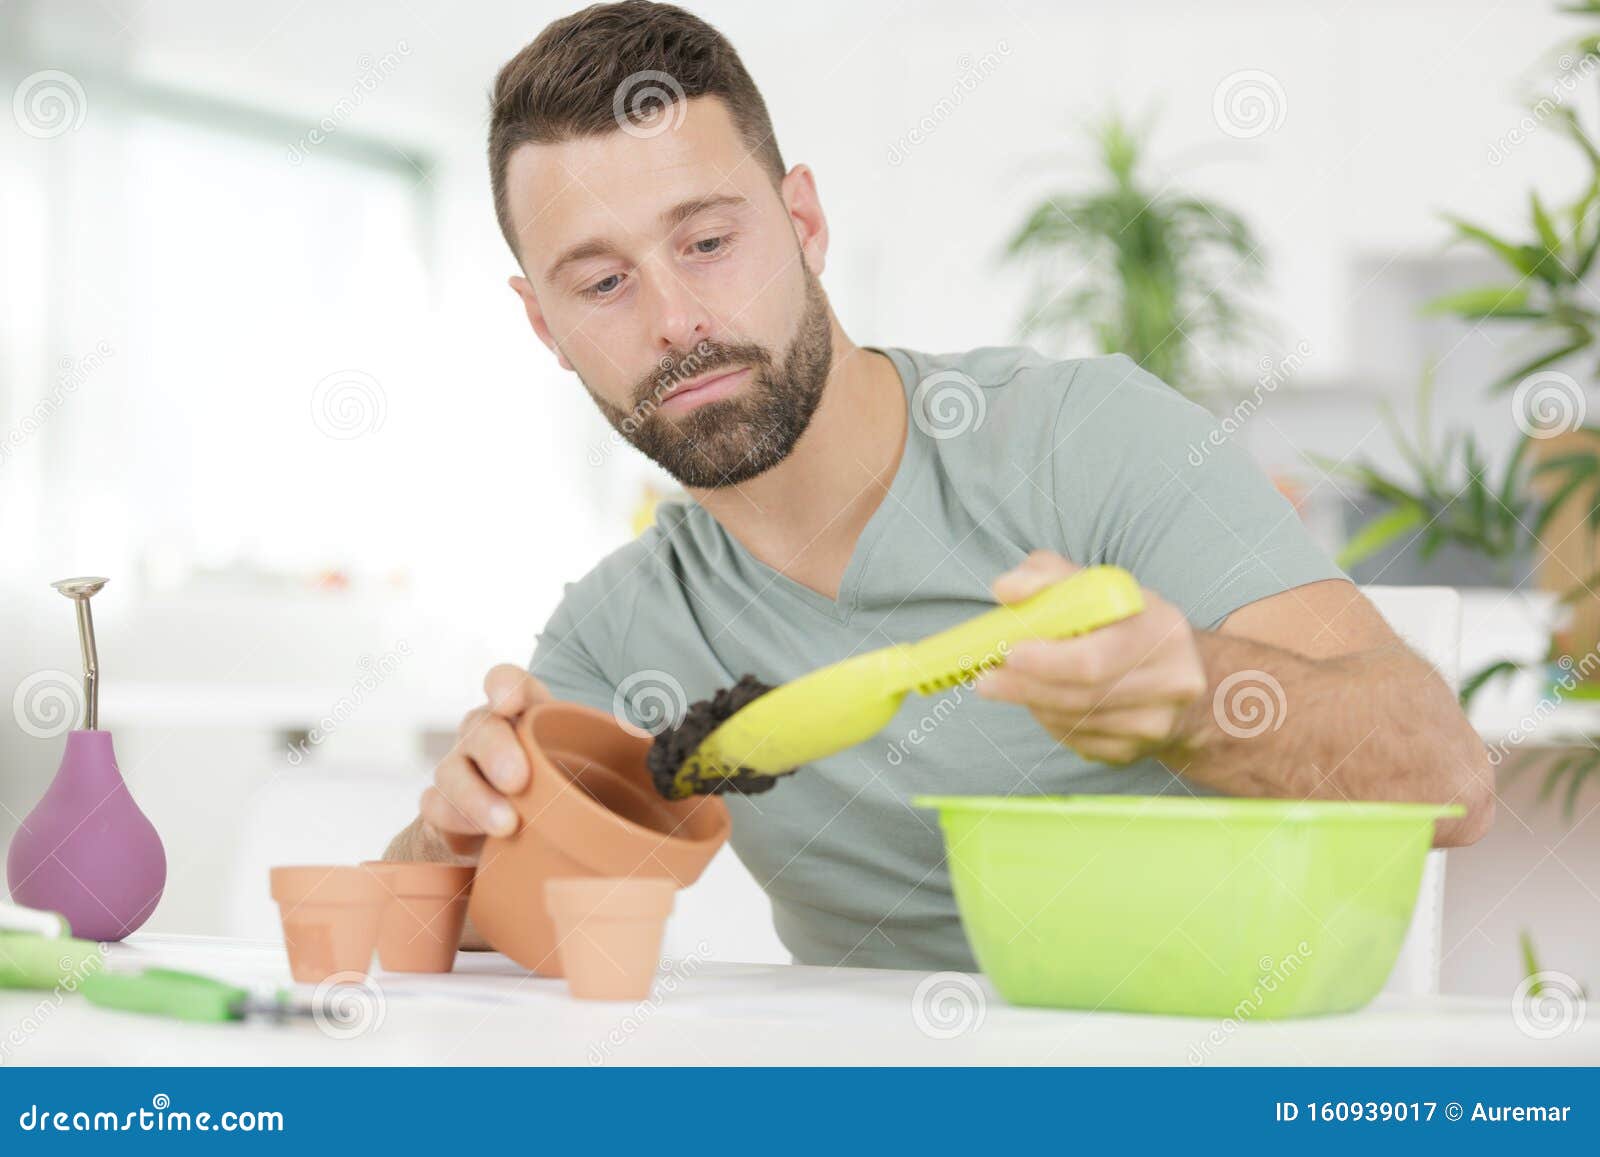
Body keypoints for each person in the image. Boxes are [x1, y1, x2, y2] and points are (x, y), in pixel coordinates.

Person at [385, 1, 1492, 969]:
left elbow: (1449, 775)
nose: (674, 318)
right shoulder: (622, 629)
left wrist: (1197, 694)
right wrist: (451, 836)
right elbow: (448, 932)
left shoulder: (1084, 438)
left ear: (805, 223)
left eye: (710, 240)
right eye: (604, 281)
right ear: (545, 324)